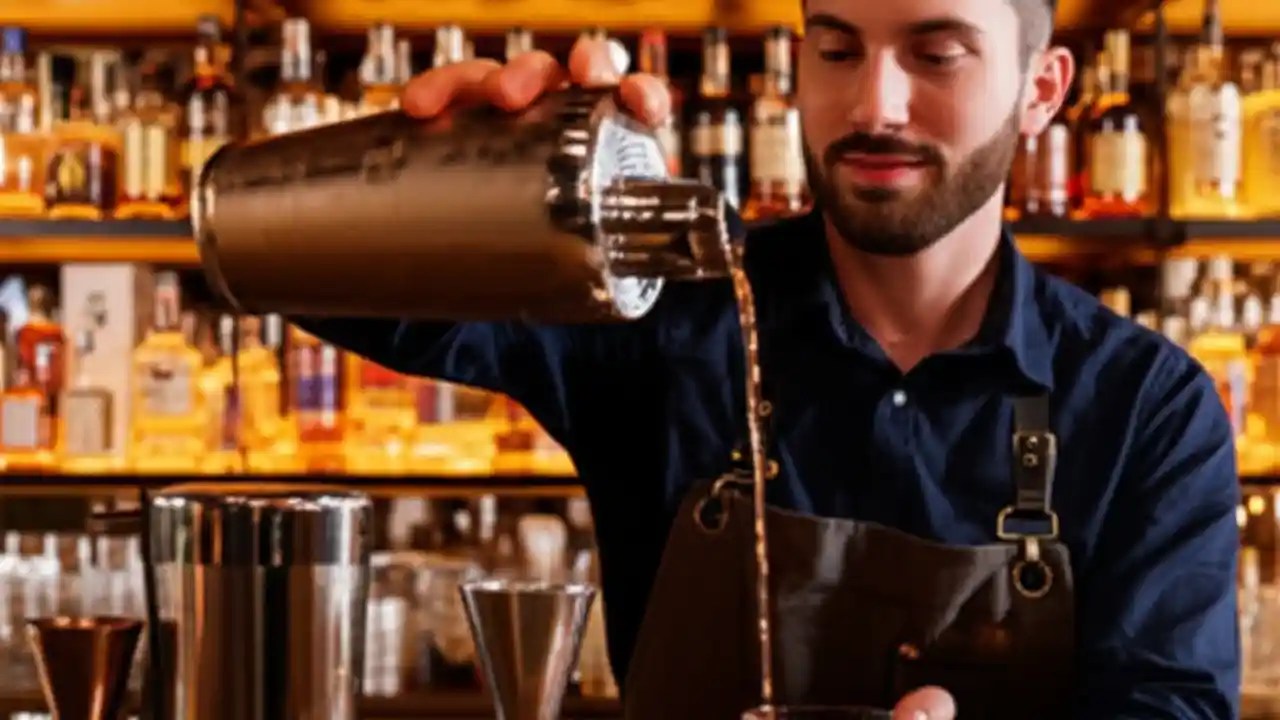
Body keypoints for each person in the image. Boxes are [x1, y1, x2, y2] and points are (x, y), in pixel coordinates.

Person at [297, 0, 1241, 717]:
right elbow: (316, 283)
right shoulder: (658, 313)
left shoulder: (1144, 409)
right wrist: (436, 171)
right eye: (836, 50)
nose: (876, 103)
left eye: (936, 53)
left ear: (1042, 90)